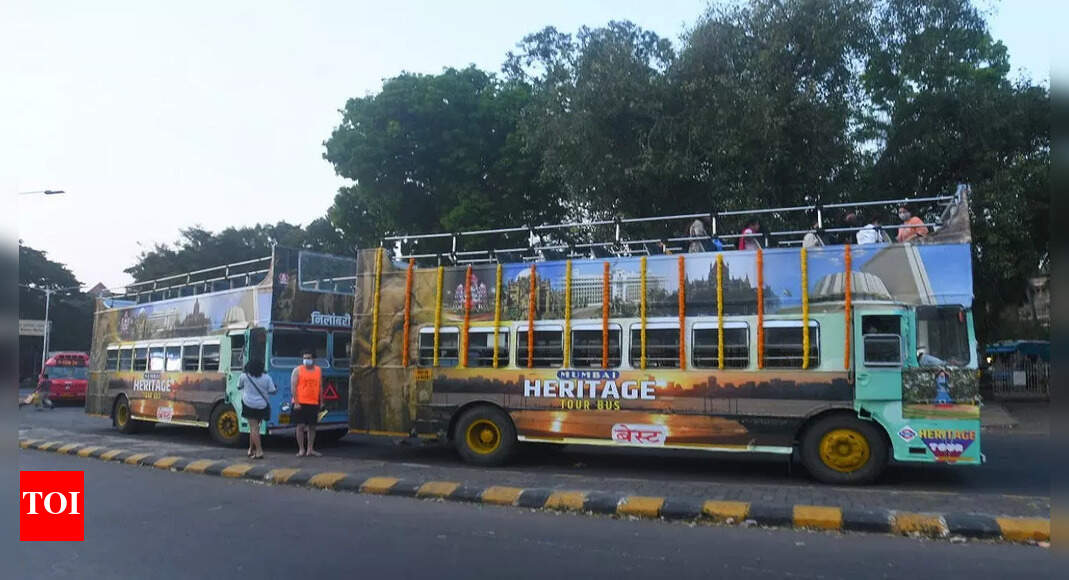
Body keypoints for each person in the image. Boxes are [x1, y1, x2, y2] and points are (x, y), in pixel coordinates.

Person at [237, 357, 276, 459]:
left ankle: (259, 451)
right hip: (262, 405)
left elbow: (239, 387)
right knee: (255, 428)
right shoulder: (267, 377)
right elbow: (272, 391)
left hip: (248, 404)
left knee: (253, 428)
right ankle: (250, 449)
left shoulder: (244, 376)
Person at [291, 350, 323, 457]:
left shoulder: (318, 370)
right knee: (300, 426)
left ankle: (310, 449)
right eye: (305, 358)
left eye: (309, 358)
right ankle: (301, 449)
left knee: (312, 427)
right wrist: (296, 402)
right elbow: (293, 387)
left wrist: (321, 401)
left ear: (314, 359)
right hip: (300, 403)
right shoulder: (297, 370)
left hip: (313, 402)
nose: (306, 360)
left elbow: (320, 387)